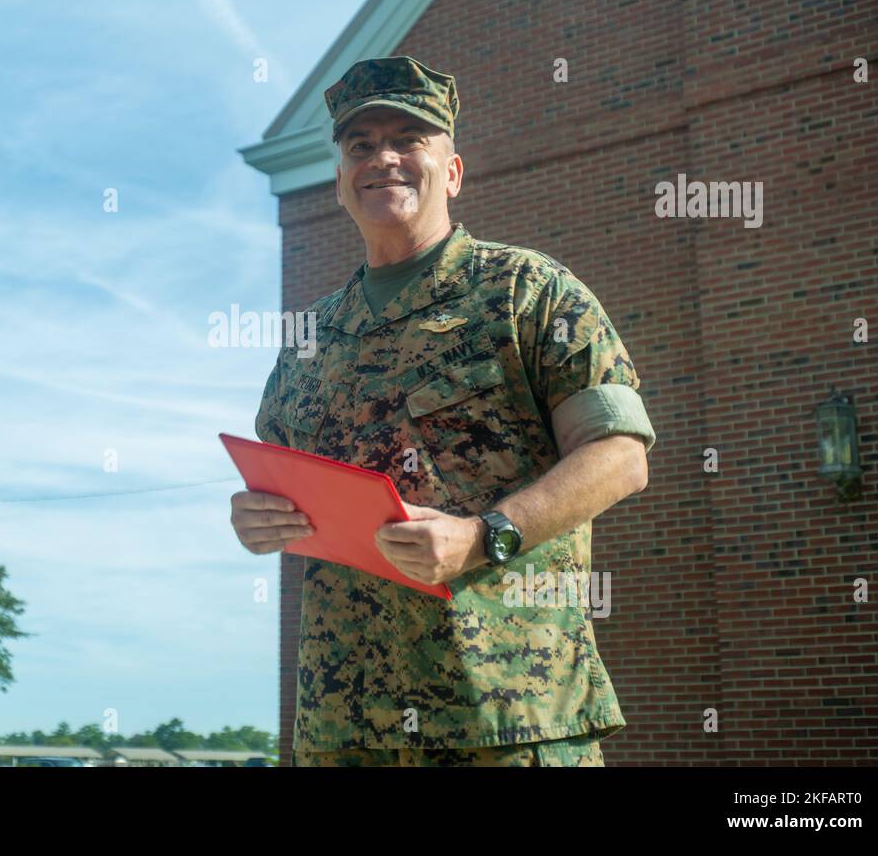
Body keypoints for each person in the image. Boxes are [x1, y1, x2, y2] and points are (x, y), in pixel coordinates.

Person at [229, 56, 657, 766]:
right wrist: (255, 519)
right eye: (360, 146)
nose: (382, 158)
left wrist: (485, 536)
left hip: (507, 713)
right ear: (340, 182)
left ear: (452, 172)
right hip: (345, 726)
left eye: (408, 140)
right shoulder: (310, 338)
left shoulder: (528, 291)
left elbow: (620, 457)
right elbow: (281, 484)